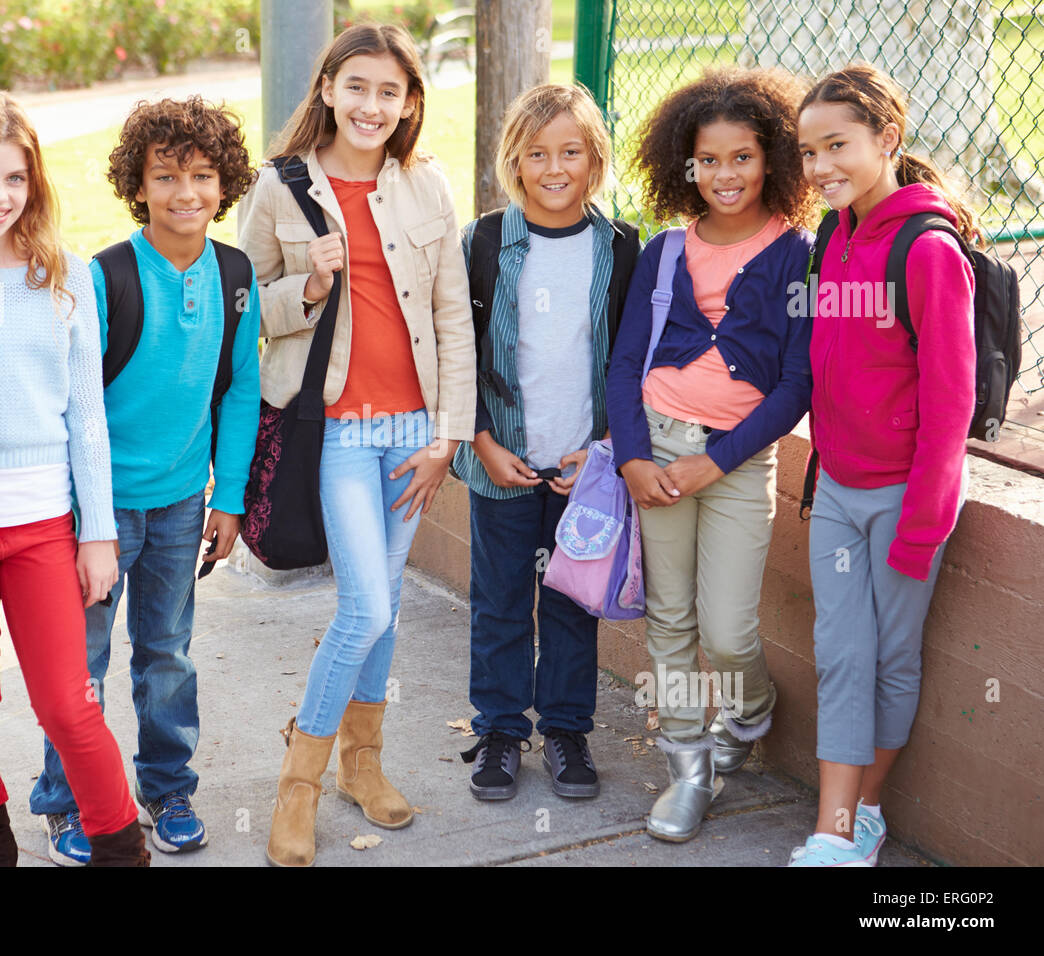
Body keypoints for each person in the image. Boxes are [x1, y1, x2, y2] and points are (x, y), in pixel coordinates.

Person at [238, 22, 475, 867]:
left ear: (410, 102)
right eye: (357, 87)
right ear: (329, 89)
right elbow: (247, 307)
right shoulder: (281, 187)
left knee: (387, 611)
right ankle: (295, 787)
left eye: (390, 91)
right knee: (365, 606)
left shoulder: (427, 185)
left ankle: (361, 766)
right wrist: (307, 283)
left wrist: (449, 435)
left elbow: (453, 313)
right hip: (337, 429)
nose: (372, 105)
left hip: (414, 432)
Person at [30, 95, 261, 864]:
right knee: (80, 666)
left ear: (225, 184)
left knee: (167, 655)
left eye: (202, 175)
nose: (185, 193)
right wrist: (84, 516)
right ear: (138, 184)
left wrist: (228, 496)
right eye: (166, 176)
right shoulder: (106, 276)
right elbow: (77, 407)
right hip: (97, 512)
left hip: (179, 507)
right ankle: (68, 803)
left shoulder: (236, 274)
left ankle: (168, 790)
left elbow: (240, 390)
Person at [0, 92, 146, 866]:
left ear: (35, 183)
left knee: (68, 704)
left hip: (45, 529)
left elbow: (88, 414)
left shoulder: (66, 275)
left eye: (14, 177)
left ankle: (122, 846)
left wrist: (98, 533)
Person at [605, 67, 818, 843]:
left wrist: (717, 460)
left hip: (734, 464)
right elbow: (626, 363)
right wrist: (633, 459)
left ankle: (752, 709)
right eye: (708, 160)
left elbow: (797, 383)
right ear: (684, 164)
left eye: (743, 157)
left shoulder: (797, 253)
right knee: (669, 619)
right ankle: (690, 770)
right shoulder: (663, 252)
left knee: (727, 632)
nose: (725, 175)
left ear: (774, 161)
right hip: (655, 451)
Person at [791, 64, 976, 867]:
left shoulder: (928, 249)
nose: (820, 166)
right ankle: (832, 833)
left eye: (838, 145)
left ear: (887, 140)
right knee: (841, 653)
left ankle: (863, 816)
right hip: (835, 488)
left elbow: (951, 403)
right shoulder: (832, 236)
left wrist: (923, 523)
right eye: (807, 151)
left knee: (892, 659)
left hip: (907, 499)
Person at [454, 83, 639, 802]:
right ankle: (500, 730)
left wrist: (605, 448)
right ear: (516, 162)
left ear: (594, 161)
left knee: (570, 601)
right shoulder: (485, 242)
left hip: (584, 470)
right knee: (499, 601)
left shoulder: (621, 247)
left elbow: (632, 357)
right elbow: (456, 349)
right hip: (502, 461)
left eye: (571, 151)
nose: (554, 167)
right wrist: (478, 438)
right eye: (537, 153)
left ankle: (565, 728)